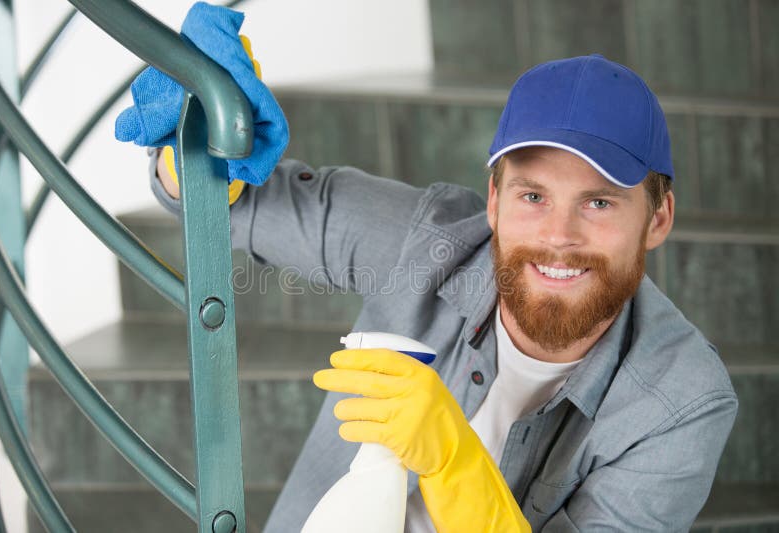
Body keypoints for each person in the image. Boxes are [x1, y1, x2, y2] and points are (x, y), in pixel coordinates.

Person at [149, 54, 738, 532]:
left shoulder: (682, 403)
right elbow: (235, 202)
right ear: (493, 202)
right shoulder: (426, 240)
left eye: (599, 202)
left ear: (658, 219)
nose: (560, 237)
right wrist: (197, 135)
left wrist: (454, 461)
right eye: (533, 197)